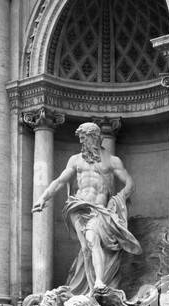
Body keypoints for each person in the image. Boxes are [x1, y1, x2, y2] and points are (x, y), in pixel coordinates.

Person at [32, 122, 141, 294]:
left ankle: (99, 281)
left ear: (95, 137)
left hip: (98, 209)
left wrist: (118, 199)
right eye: (81, 140)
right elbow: (60, 181)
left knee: (92, 240)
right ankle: (89, 287)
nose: (82, 143)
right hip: (77, 207)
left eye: (85, 139)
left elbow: (129, 183)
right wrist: (43, 197)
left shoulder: (112, 161)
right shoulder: (75, 160)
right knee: (85, 248)